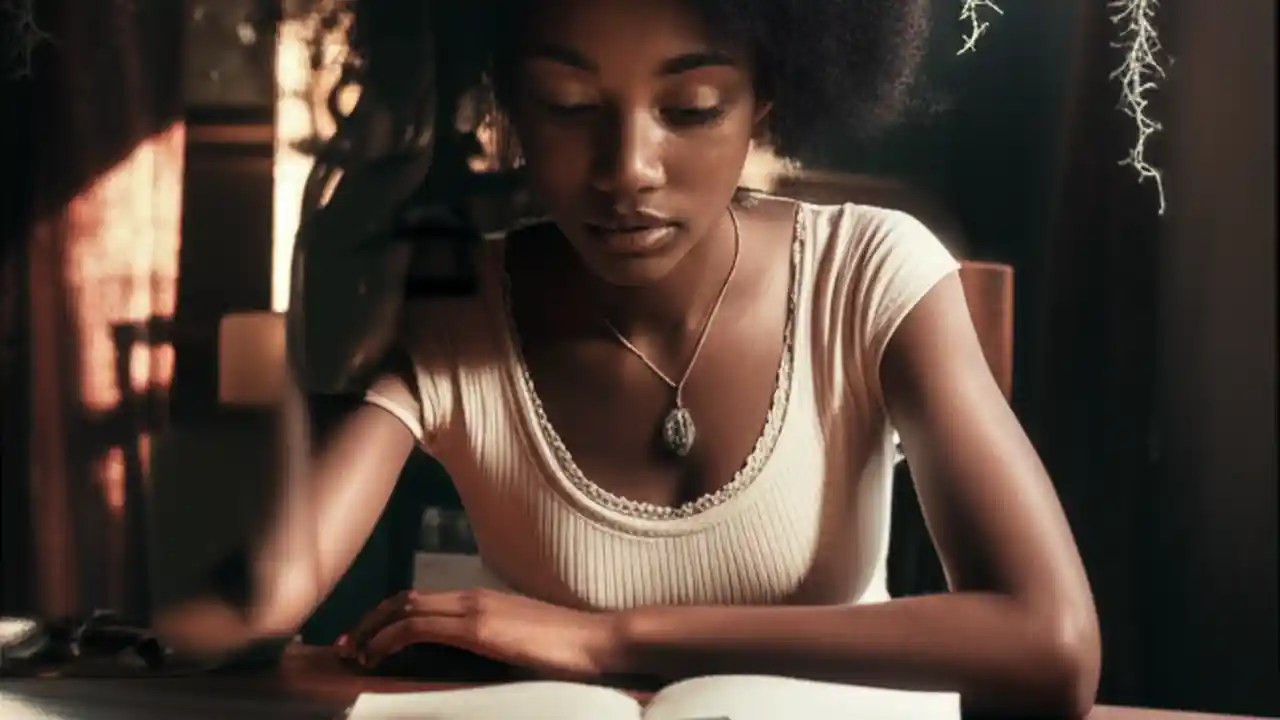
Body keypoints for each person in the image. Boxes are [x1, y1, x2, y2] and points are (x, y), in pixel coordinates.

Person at [158, 0, 1101, 715]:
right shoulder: (456, 306)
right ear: (506, 100)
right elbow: (262, 598)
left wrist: (611, 641)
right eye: (567, 106)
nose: (626, 169)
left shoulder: (870, 273)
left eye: (690, 108)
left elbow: (1051, 646)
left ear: (766, 94)